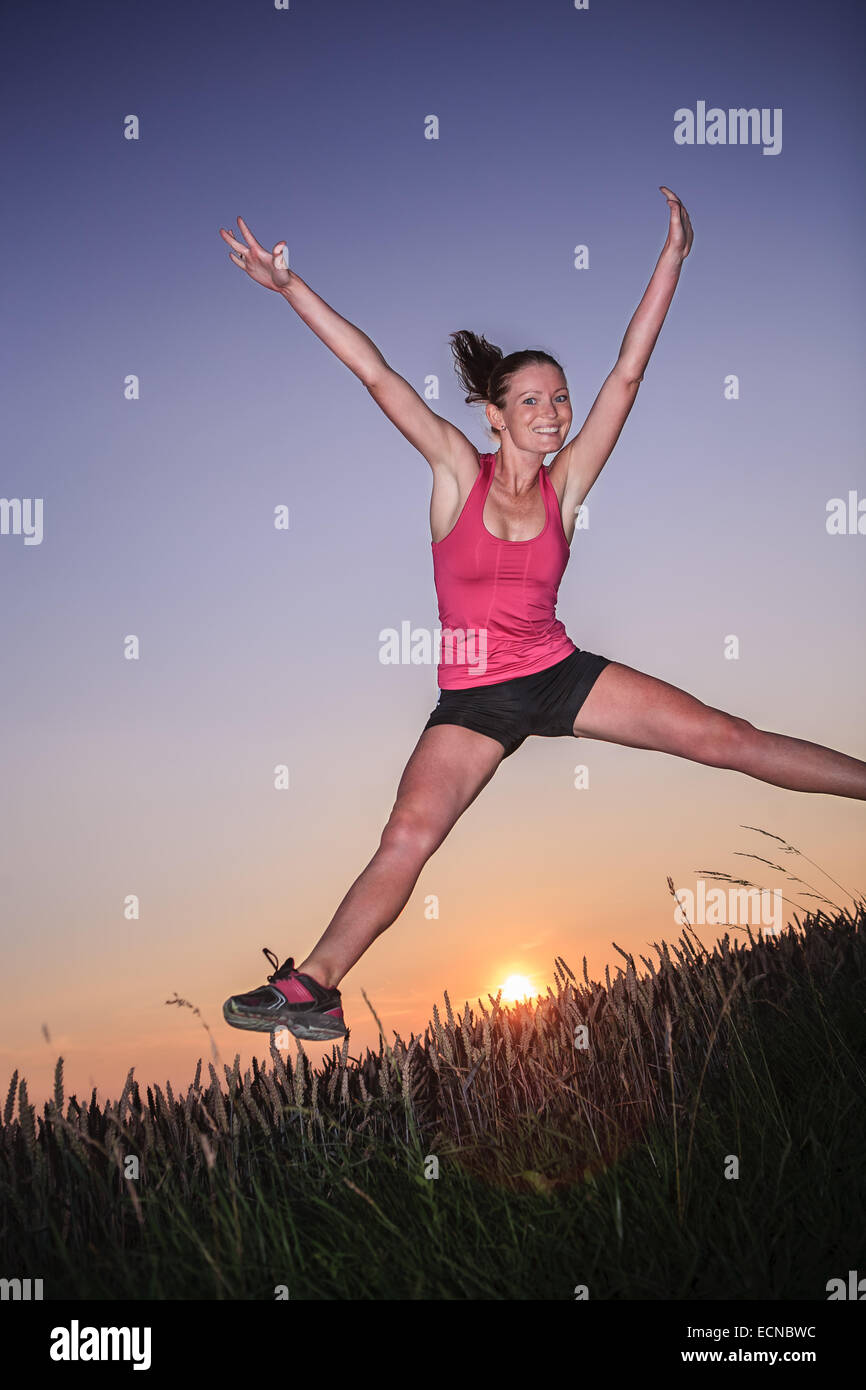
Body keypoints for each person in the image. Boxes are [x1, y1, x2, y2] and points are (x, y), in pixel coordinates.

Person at [217, 188, 866, 1042]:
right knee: (409, 833)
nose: (555, 412)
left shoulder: (568, 484)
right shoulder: (457, 468)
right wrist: (289, 287)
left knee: (724, 738)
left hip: (559, 675)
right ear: (495, 415)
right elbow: (374, 372)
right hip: (476, 701)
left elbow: (627, 375)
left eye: (560, 398)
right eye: (533, 400)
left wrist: (673, 256)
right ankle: (314, 988)